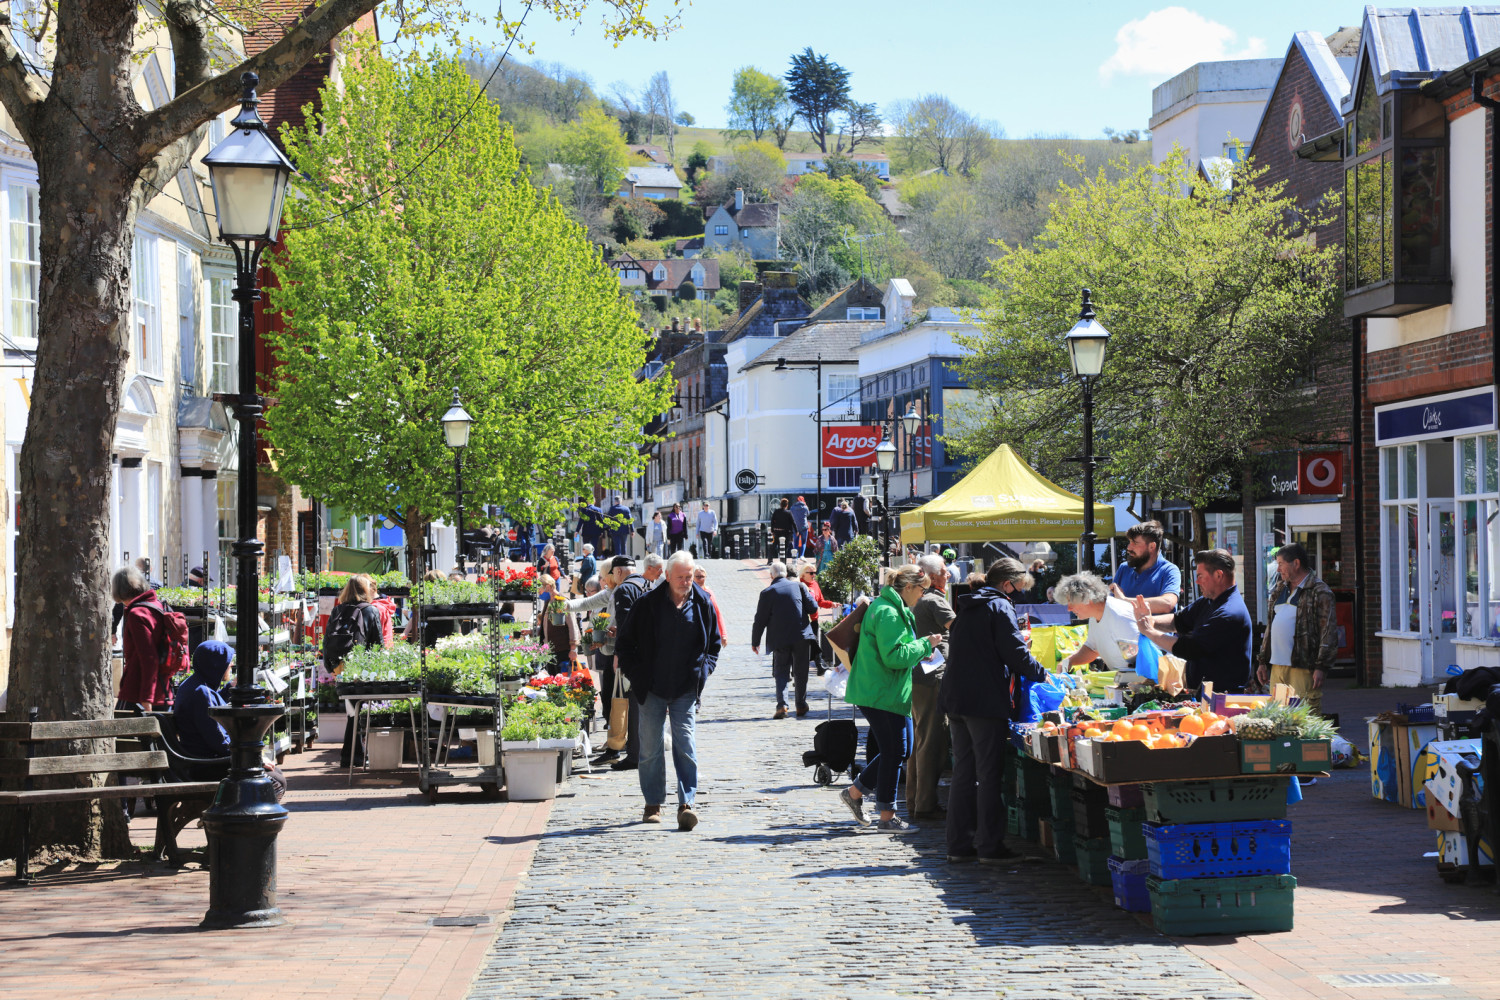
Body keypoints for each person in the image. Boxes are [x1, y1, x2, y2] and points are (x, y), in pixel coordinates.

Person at [942, 558, 1048, 863]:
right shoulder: (999, 606)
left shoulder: (971, 605)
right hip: (983, 701)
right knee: (988, 775)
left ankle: (958, 845)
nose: (1018, 594)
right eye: (1018, 588)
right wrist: (1044, 674)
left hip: (957, 699)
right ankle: (990, 846)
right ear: (1007, 584)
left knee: (964, 772)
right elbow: (1014, 653)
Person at [616, 551, 722, 830]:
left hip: (685, 687)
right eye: (681, 577)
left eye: (690, 577)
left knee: (685, 744)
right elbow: (625, 645)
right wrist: (637, 675)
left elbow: (713, 645)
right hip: (651, 687)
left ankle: (686, 804)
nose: (687, 581)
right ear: (667, 576)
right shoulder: (648, 604)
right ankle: (653, 803)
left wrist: (703, 672)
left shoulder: (702, 602)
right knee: (650, 747)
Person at [837, 564, 943, 833]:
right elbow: (895, 657)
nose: (923, 595)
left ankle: (856, 792)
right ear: (908, 587)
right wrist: (925, 644)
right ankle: (887, 816)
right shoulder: (888, 612)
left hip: (888, 691)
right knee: (895, 751)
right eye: (921, 590)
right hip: (879, 691)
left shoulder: (894, 608)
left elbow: (897, 650)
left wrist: (919, 650)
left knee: (901, 750)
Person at [173, 640, 286, 799]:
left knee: (275, 772)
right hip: (206, 765)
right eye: (227, 662)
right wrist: (251, 758)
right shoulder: (202, 693)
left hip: (201, 759)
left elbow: (213, 702)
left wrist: (230, 687)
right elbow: (217, 739)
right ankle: (247, 820)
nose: (231, 665)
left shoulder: (195, 686)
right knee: (276, 781)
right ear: (215, 664)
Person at [1135, 548, 1253, 693]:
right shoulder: (1209, 601)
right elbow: (1178, 620)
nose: (1196, 581)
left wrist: (1150, 632)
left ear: (1218, 575)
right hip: (1204, 692)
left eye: (1201, 576)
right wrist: (1150, 621)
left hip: (1223, 697)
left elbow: (1190, 648)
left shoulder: (1229, 612)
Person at [1255, 541, 1338, 715]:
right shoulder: (1279, 590)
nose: (1278, 569)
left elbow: (1328, 632)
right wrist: (1262, 661)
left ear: (1296, 563)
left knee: (1304, 718)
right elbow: (1271, 626)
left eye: (1280, 564)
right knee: (1278, 718)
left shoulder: (1319, 591)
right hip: (1277, 666)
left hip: (1303, 667)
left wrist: (1321, 666)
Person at [909, 553, 957, 822]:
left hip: (919, 676)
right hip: (931, 678)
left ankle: (917, 800)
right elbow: (959, 627)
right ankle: (924, 804)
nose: (948, 574)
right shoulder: (934, 600)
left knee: (921, 741)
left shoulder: (919, 599)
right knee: (933, 742)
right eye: (943, 571)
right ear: (931, 575)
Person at [323, 573, 385, 767]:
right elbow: (378, 645)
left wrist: (331, 667)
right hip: (363, 667)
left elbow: (327, 640)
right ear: (365, 590)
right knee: (360, 711)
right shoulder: (370, 610)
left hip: (342, 667)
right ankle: (355, 755)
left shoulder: (337, 610)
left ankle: (351, 755)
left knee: (353, 711)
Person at [751, 562, 819, 719]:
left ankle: (782, 705)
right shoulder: (799, 587)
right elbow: (813, 608)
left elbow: (760, 620)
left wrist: (755, 641)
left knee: (781, 670)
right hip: (802, 635)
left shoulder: (767, 592)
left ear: (771, 576)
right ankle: (801, 705)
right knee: (801, 671)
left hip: (780, 637)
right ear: (786, 574)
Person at [1056, 572, 1141, 673]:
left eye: (1071, 602)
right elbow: (1092, 649)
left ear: (1087, 598)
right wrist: (1069, 661)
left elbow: (1141, 658)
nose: (1069, 609)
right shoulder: (1094, 616)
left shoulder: (1119, 615)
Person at [114, 565, 172, 712]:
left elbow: (149, 658)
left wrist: (147, 698)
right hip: (163, 688)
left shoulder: (137, 614)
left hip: (138, 692)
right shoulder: (159, 606)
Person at [1110, 520, 1182, 614]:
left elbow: (1167, 604)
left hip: (1153, 628)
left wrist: (1123, 601)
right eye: (1129, 542)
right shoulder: (1124, 568)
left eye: (1135, 543)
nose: (1129, 547)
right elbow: (1110, 606)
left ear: (1152, 546)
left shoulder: (1169, 570)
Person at [538, 575, 580, 674]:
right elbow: (546, 626)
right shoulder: (548, 602)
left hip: (562, 649)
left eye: (540, 589)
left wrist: (573, 649)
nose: (539, 592)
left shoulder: (563, 601)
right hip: (551, 650)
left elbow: (572, 625)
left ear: (548, 587)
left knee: (562, 679)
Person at [693, 566, 728, 647]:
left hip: (708, 632)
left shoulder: (709, 593)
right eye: (697, 576)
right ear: (693, 577)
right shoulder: (689, 593)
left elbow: (717, 613)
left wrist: (723, 634)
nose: (699, 579)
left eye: (702, 576)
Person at [770, 497, 796, 563]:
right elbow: (793, 522)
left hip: (777, 531)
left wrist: (772, 530)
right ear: (787, 505)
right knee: (785, 547)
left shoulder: (776, 512)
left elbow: (772, 521)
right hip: (787, 532)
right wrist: (796, 531)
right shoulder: (789, 513)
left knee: (774, 545)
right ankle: (784, 561)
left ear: (780, 504)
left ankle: (770, 560)